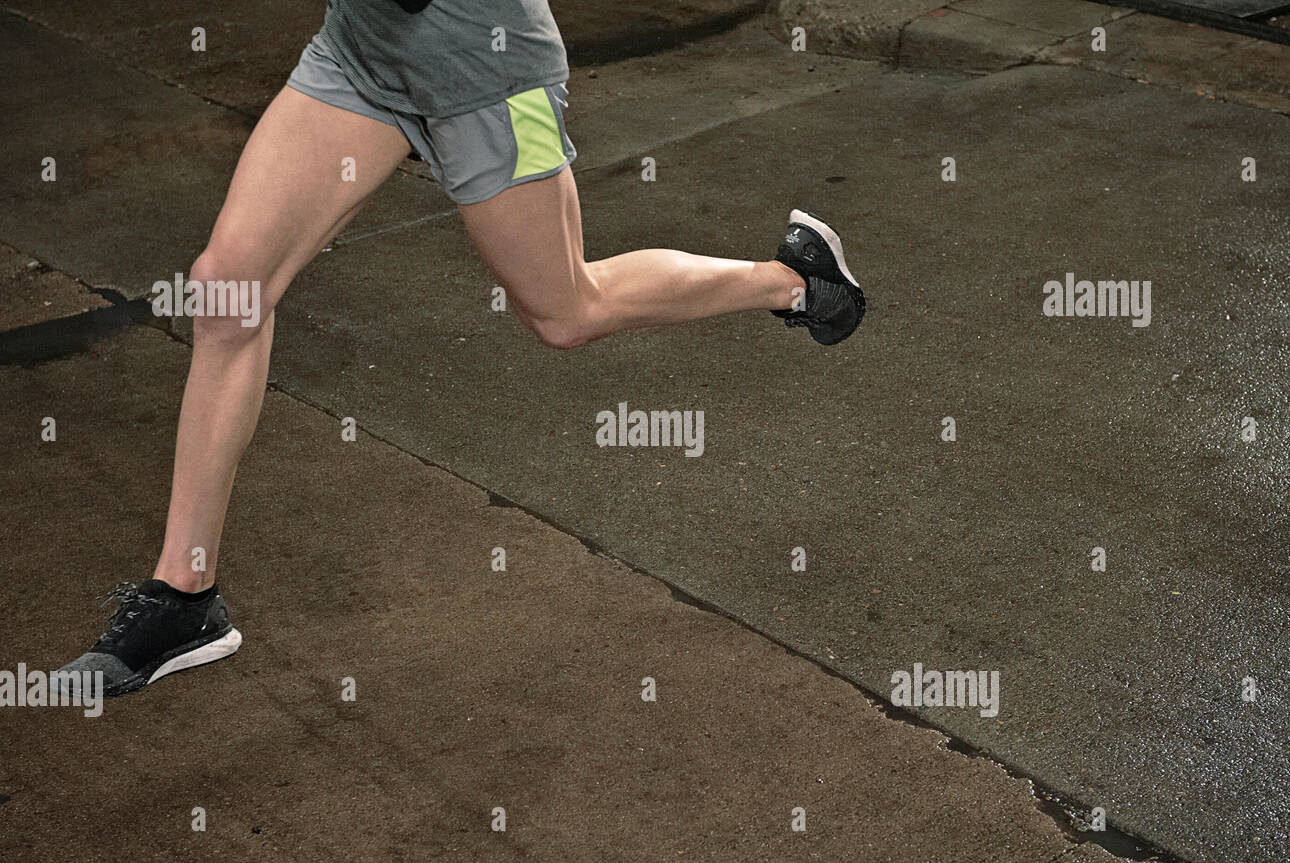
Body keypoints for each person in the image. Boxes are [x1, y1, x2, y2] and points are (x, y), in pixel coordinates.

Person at [57, 0, 866, 697]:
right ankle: (184, 597)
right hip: (364, 54)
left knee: (566, 311)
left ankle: (790, 281)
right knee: (229, 289)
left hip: (491, 77)